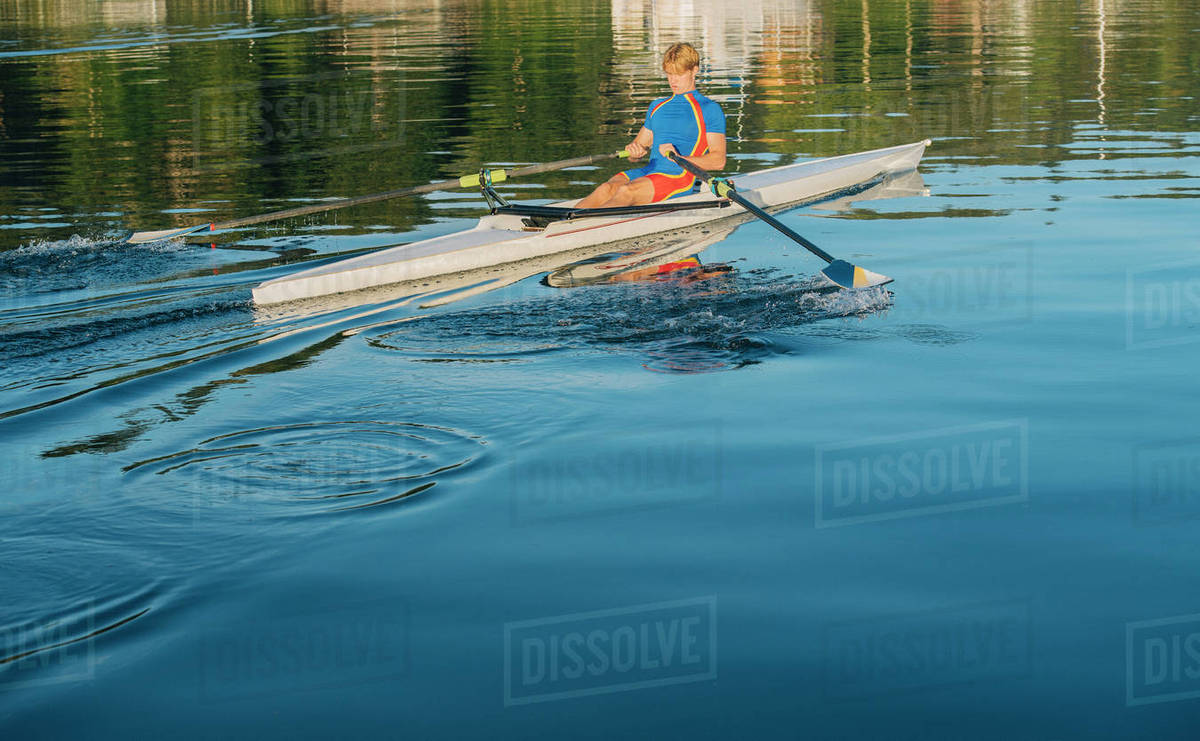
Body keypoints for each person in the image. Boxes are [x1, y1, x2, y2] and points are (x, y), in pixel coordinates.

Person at [575, 43, 726, 209]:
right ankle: (559, 224)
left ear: (694, 70)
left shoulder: (709, 109)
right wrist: (634, 151)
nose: (673, 80)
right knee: (606, 188)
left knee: (626, 191)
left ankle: (582, 227)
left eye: (679, 74)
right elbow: (636, 153)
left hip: (677, 177)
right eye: (669, 74)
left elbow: (718, 161)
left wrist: (680, 158)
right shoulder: (657, 106)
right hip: (649, 172)